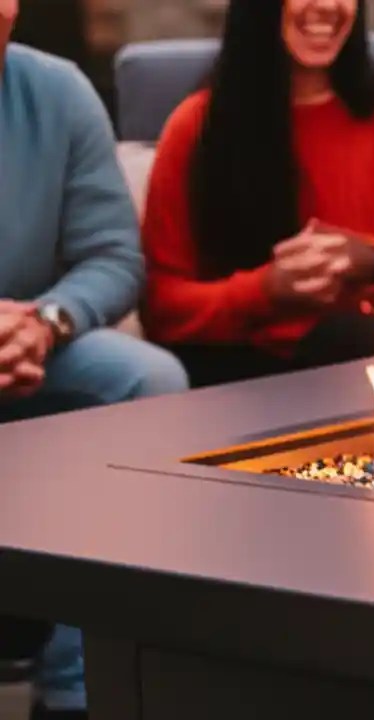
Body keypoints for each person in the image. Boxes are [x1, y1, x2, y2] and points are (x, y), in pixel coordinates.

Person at [0, 1, 189, 717]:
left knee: (151, 380)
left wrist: (47, 324)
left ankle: (78, 687)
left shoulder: (59, 91)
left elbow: (112, 257)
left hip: (37, 349)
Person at [141, 0, 374, 388]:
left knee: (356, 339)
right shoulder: (196, 125)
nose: (326, 5)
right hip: (234, 370)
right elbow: (161, 307)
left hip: (367, 365)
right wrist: (263, 290)